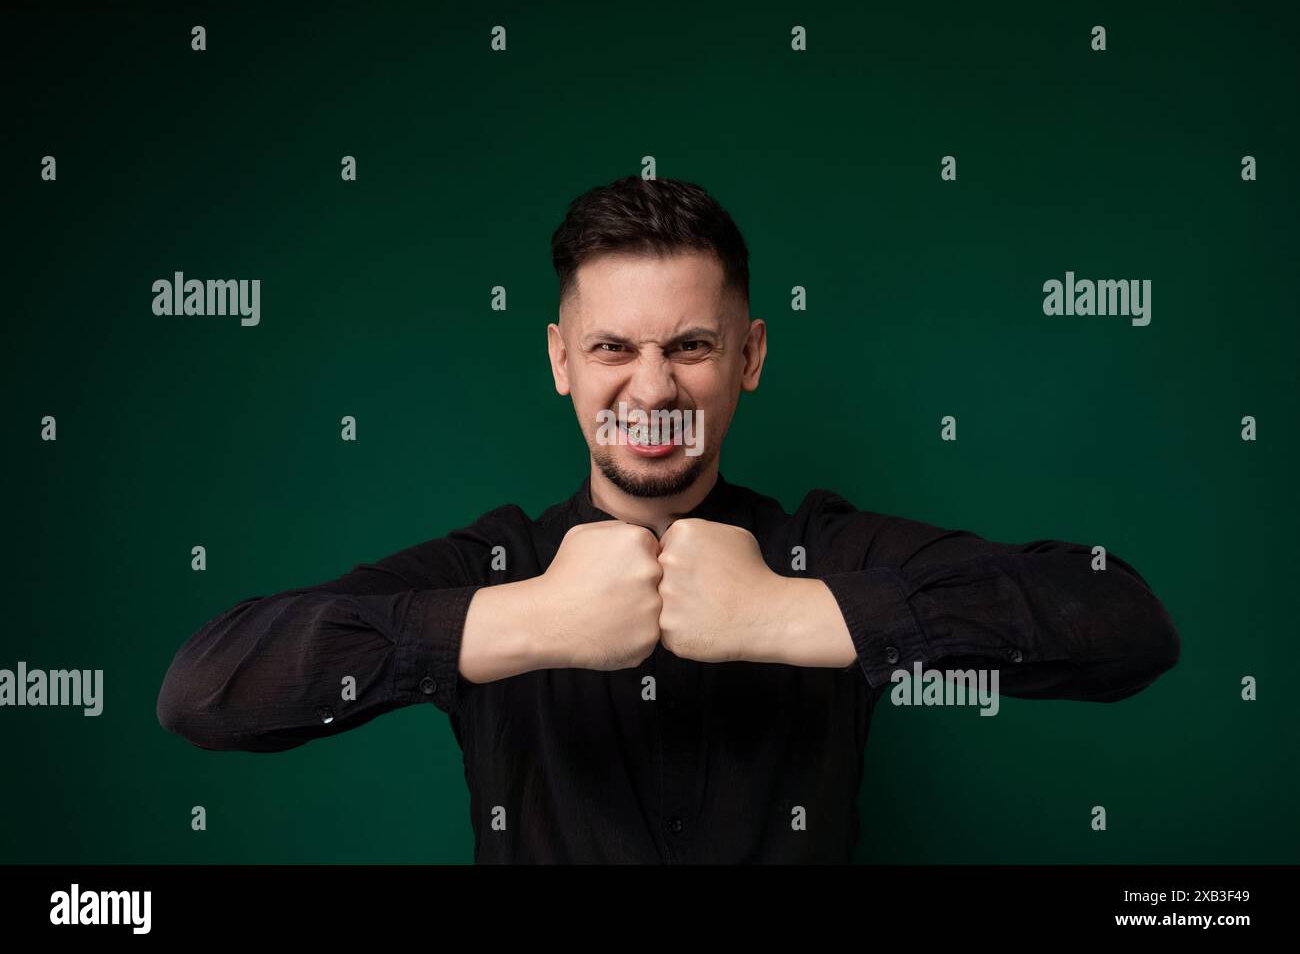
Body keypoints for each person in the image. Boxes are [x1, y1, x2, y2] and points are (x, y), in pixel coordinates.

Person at [157, 175, 1181, 863]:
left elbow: (1125, 625)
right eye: (611, 348)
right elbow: (205, 691)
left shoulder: (819, 551)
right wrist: (513, 622)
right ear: (560, 360)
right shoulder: (497, 562)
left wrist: (796, 618)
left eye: (690, 345)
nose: (652, 386)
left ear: (750, 357)